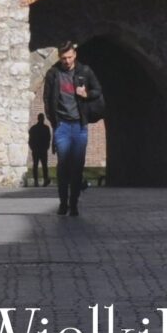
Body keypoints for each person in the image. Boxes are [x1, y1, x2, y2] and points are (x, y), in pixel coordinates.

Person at [42, 41, 103, 217]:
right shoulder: (53, 74)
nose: (67, 61)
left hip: (79, 126)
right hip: (62, 126)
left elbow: (98, 90)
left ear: (74, 54)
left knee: (77, 166)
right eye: (63, 58)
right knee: (63, 166)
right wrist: (54, 121)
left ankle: (74, 204)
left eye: (69, 57)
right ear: (59, 57)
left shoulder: (85, 71)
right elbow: (47, 100)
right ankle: (63, 203)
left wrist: (87, 94)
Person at [28, 112, 52, 187]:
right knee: (44, 165)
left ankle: (36, 181)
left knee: (36, 165)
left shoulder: (33, 128)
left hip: (36, 149)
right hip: (42, 149)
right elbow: (48, 139)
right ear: (43, 119)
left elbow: (30, 140)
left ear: (37, 119)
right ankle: (44, 180)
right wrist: (47, 147)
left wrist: (32, 147)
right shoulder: (46, 128)